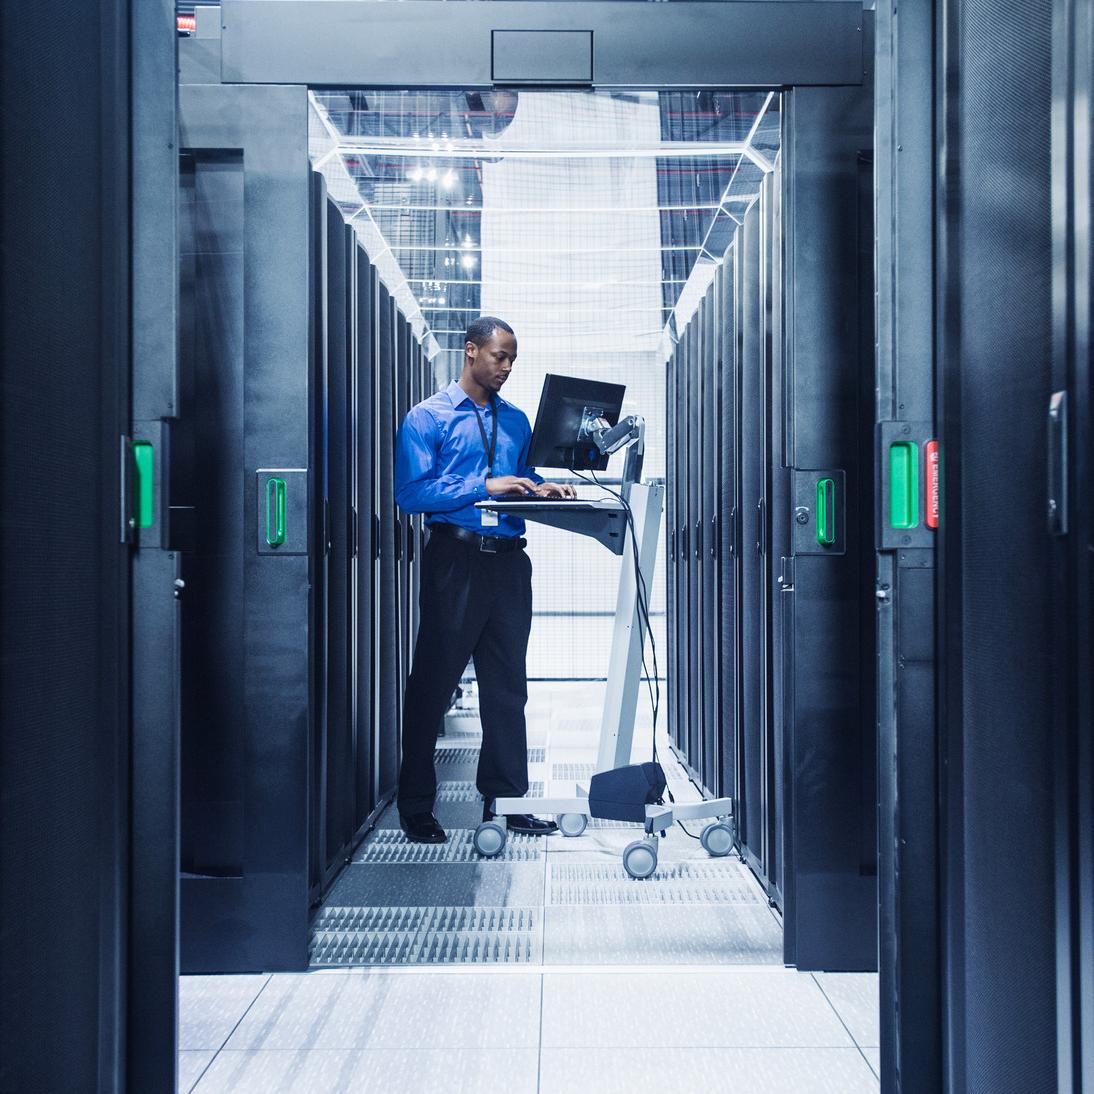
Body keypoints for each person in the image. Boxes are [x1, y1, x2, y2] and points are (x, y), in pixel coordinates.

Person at [393, 316, 575, 843]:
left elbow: (524, 476)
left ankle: (507, 801)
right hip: (456, 559)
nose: (508, 367)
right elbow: (412, 493)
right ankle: (417, 807)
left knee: (506, 689)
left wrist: (542, 489)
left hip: (509, 563)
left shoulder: (516, 421)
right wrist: (483, 484)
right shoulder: (427, 418)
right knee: (433, 684)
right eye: (500, 356)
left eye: (513, 358)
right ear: (470, 352)